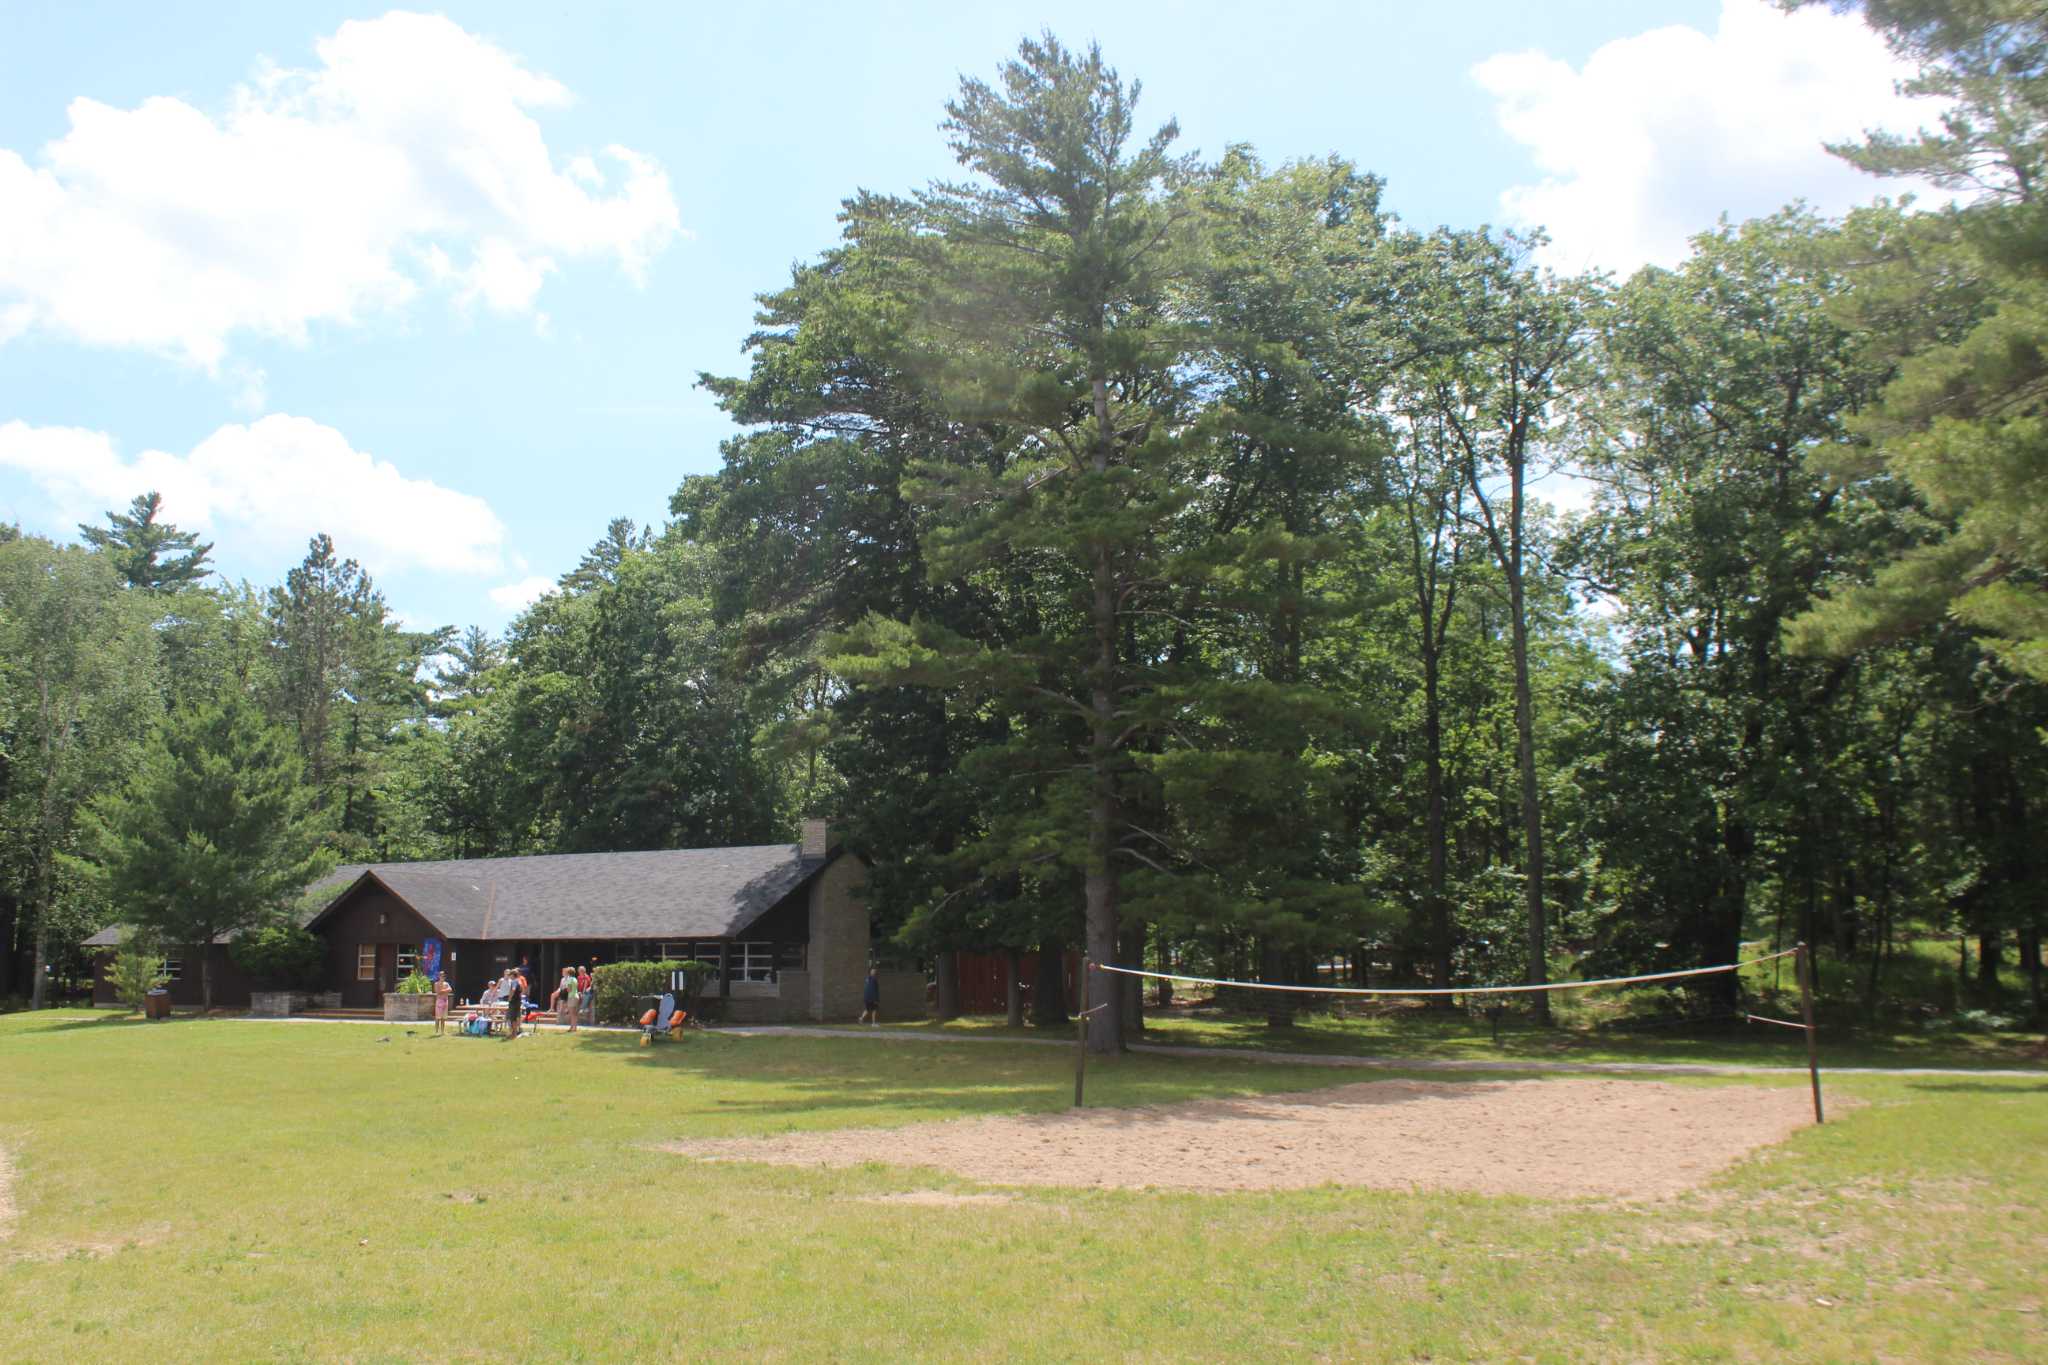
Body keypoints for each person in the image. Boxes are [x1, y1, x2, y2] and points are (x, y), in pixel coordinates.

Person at [552, 966, 580, 1034]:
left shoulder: (570, 979)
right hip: (576, 996)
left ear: (568, 972)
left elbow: (569, 989)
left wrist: (564, 990)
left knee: (572, 1014)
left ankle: (573, 1028)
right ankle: (573, 1027)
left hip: (571, 997)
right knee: (574, 1014)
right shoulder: (575, 979)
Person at [504, 969, 524, 1039]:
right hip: (518, 1001)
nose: (509, 976)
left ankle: (513, 1034)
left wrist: (509, 998)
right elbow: (521, 990)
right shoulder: (519, 981)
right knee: (515, 1018)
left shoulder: (514, 981)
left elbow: (513, 990)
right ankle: (514, 1034)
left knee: (512, 1018)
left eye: (510, 975)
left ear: (513, 975)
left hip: (513, 1002)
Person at [432, 971, 453, 1036]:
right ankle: (436, 1031)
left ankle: (442, 1032)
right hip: (439, 1001)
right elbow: (438, 992)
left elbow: (450, 989)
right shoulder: (436, 983)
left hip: (445, 1001)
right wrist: (445, 990)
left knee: (443, 1018)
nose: (442, 977)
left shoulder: (446, 983)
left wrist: (443, 990)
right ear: (439, 976)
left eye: (443, 976)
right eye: (441, 975)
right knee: (438, 1017)